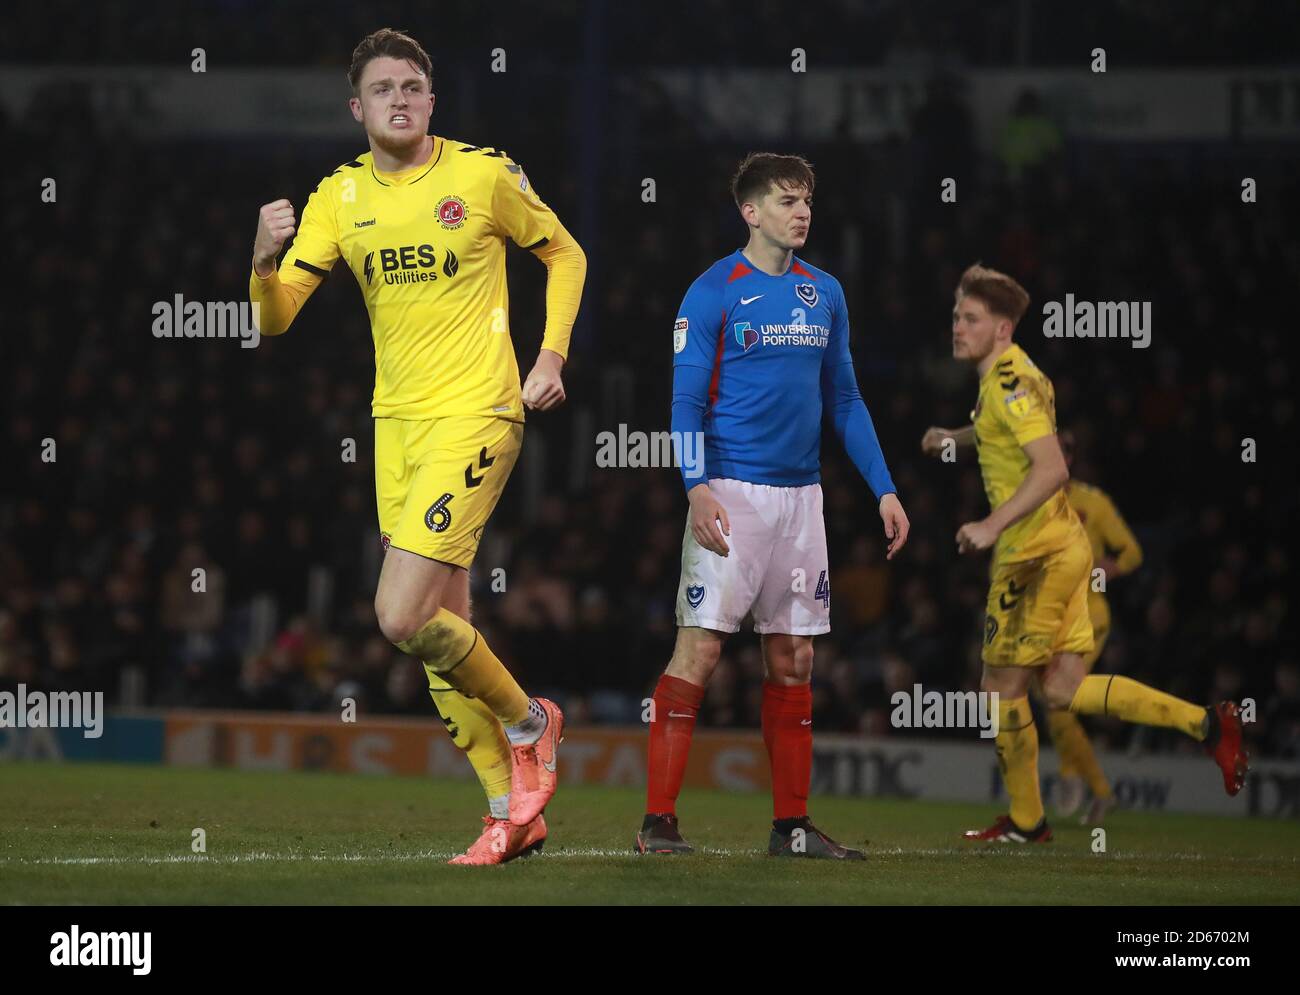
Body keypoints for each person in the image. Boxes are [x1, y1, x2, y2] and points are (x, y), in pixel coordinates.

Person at [248, 28, 586, 864]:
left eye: (413, 86)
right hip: (394, 427)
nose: (400, 98)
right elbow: (277, 317)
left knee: (398, 614)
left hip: (477, 412)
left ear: (432, 101)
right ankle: (511, 811)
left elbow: (565, 252)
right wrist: (260, 264)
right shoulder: (339, 196)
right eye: (383, 88)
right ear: (356, 107)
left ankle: (532, 722)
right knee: (442, 629)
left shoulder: (482, 174)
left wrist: (551, 354)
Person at [637, 153, 910, 859]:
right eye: (788, 201)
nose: (803, 212)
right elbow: (686, 403)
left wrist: (883, 485)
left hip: (802, 499)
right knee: (699, 650)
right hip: (731, 491)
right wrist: (695, 485)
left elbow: (844, 400)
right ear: (751, 212)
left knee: (794, 660)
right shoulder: (712, 291)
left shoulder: (827, 293)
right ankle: (658, 823)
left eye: (808, 201)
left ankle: (791, 827)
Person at [921, 264, 1247, 842]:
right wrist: (955, 437)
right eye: (955, 315)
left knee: (998, 691)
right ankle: (1207, 725)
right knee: (1064, 690)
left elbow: (1053, 468)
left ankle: (1027, 821)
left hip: (1034, 554)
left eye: (970, 318)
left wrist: (992, 525)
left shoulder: (1008, 384)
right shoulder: (1014, 377)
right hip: (1063, 547)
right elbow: (1003, 432)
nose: (957, 327)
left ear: (1001, 329)